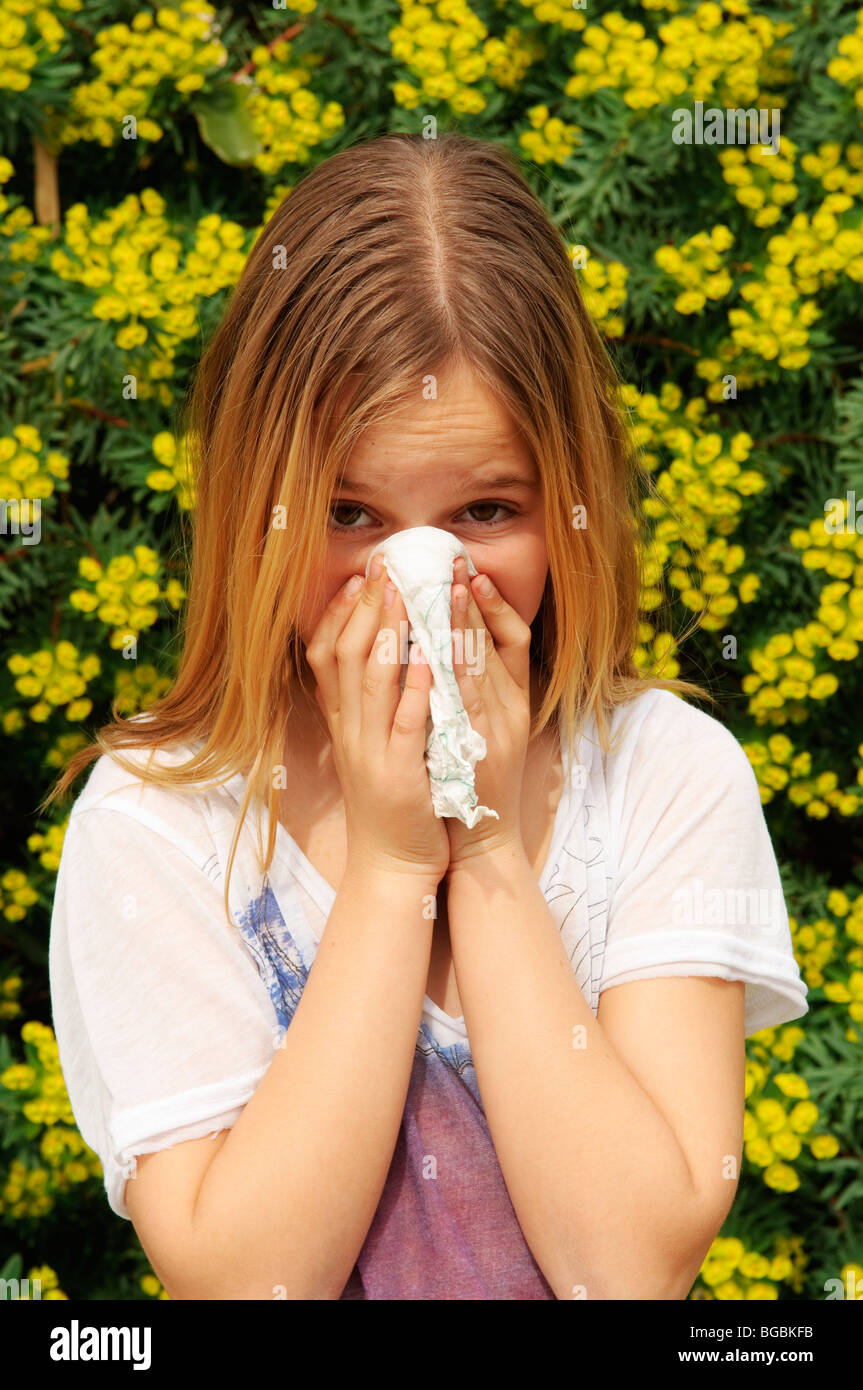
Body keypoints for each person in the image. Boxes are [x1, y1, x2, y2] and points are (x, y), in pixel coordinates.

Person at [45, 131, 807, 1300]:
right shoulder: (161, 822)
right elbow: (250, 1283)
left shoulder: (663, 775)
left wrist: (489, 842)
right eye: (349, 512)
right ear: (256, 504)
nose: (415, 579)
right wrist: (397, 870)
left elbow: (630, 1268)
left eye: (485, 508)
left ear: (572, 506)